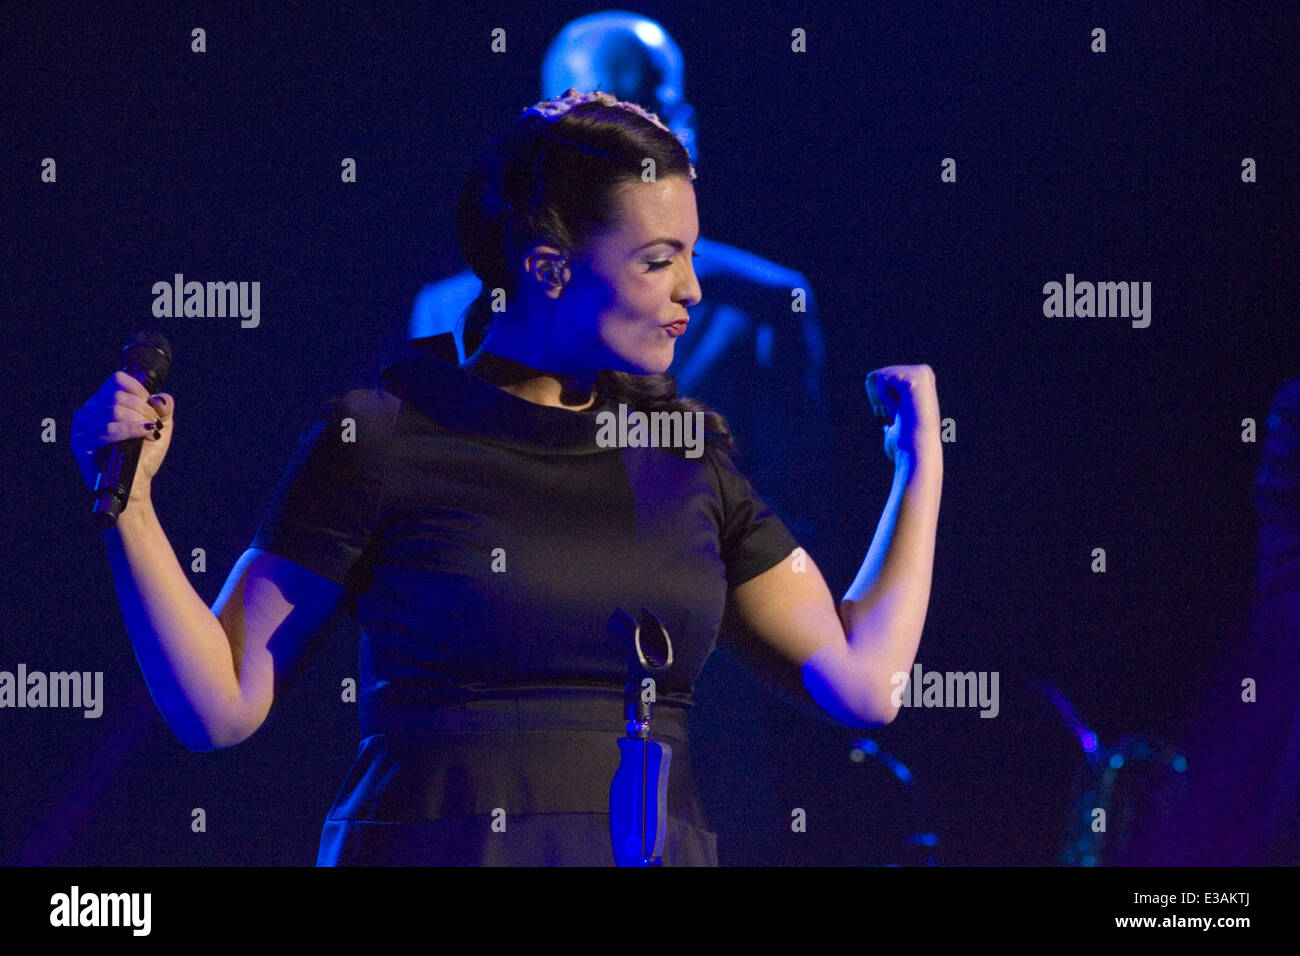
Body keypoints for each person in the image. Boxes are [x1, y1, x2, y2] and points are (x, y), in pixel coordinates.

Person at [71, 88, 944, 866]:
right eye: (658, 259)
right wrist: (134, 510)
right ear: (550, 269)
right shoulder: (381, 434)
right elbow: (218, 704)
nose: (692, 290)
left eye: (692, 254)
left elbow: (864, 683)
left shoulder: (685, 459)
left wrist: (918, 460)